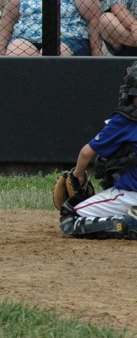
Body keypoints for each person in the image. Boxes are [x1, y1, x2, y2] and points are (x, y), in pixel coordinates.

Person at [58, 62, 137, 240]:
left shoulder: (126, 118)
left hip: (131, 195)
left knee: (72, 218)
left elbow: (87, 152)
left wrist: (78, 174)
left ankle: (130, 223)